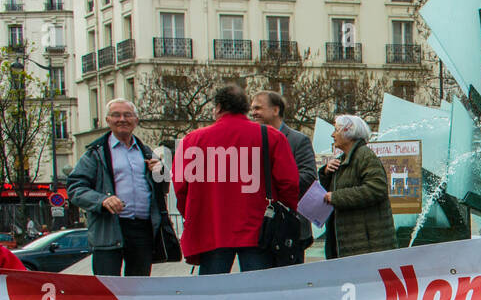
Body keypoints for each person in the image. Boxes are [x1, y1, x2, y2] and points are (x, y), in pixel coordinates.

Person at [173, 84, 299, 274]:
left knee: (212, 294)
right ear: (245, 108)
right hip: (259, 229)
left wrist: (191, 215)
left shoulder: (192, 140)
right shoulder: (271, 137)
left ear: (218, 108)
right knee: (259, 293)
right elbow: (289, 183)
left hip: (211, 229)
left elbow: (181, 188)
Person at [66, 98, 179, 276]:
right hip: (109, 229)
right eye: (116, 115)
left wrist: (161, 172)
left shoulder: (146, 151)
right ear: (107, 120)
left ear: (135, 120)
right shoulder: (95, 153)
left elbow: (163, 189)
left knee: (138, 288)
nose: (122, 119)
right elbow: (74, 188)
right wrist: (102, 200)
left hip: (142, 229)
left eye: (127, 115)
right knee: (108, 290)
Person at [251, 89, 318, 265]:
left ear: (276, 110)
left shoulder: (298, 140)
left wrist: (276, 185)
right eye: (252, 108)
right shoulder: (251, 139)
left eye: (258, 108)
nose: (253, 113)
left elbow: (308, 176)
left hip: (288, 226)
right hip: (259, 228)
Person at [320, 115, 398, 258]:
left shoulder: (365, 156)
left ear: (348, 131)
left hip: (367, 246)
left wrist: (336, 197)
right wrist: (326, 173)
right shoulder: (343, 159)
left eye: (336, 130)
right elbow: (331, 190)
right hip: (352, 243)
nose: (332, 135)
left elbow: (376, 189)